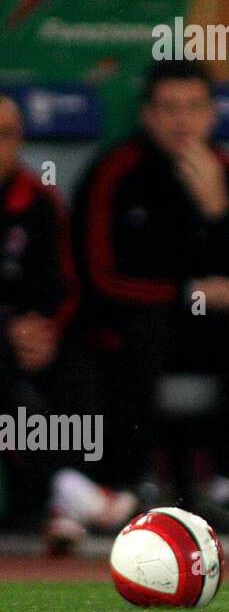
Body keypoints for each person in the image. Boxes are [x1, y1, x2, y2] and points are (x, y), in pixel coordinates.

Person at [72, 61, 229, 524]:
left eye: (194, 108)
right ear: (148, 115)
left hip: (205, 330)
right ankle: (133, 479)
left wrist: (217, 213)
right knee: (143, 331)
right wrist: (185, 292)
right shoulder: (116, 171)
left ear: (212, 116)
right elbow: (98, 277)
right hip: (133, 323)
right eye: (169, 109)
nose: (183, 121)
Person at [0, 96, 135, 549]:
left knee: (80, 359)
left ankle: (64, 500)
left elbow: (66, 284)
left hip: (32, 337)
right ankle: (63, 490)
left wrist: (45, 332)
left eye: (6, 134)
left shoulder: (38, 200)